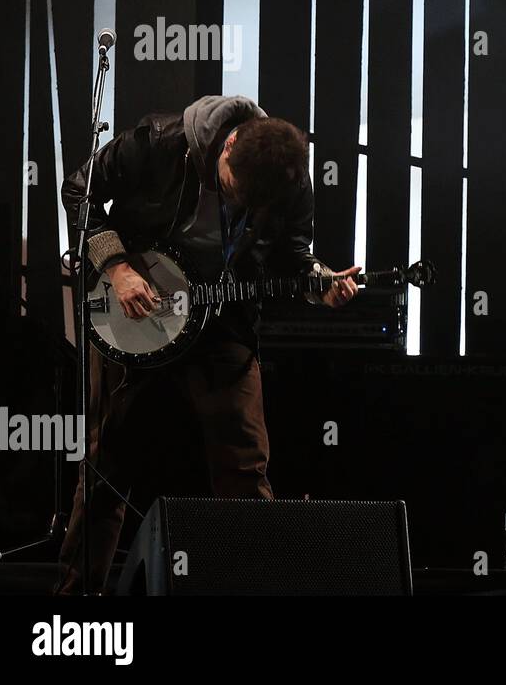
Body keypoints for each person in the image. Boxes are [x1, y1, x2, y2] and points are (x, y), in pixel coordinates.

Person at [56, 94, 359, 593]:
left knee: (244, 463)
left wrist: (319, 284)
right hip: (138, 304)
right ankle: (71, 602)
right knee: (106, 464)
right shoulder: (159, 141)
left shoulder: (286, 178)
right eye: (231, 192)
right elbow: (79, 190)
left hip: (221, 318)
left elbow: (293, 256)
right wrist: (116, 267)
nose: (236, 207)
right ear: (228, 145)